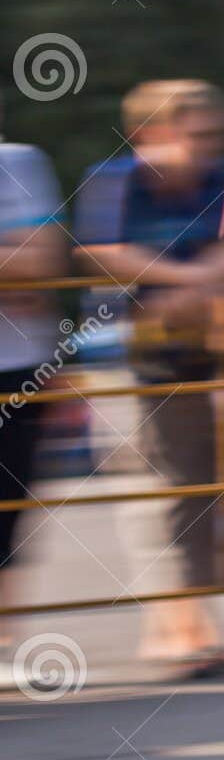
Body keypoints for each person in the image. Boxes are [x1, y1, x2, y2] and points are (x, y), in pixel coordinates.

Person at [74, 80, 224, 676]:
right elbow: (102, 251)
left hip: (202, 348)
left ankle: (190, 621)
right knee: (156, 489)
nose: (210, 147)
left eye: (215, 135)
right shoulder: (114, 179)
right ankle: (176, 625)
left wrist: (183, 288)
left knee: (200, 488)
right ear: (150, 134)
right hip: (128, 354)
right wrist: (188, 281)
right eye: (196, 136)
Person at [0, 94, 69, 687]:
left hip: (15, 364)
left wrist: (23, 268)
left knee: (7, 509)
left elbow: (41, 263)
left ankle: (2, 643)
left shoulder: (18, 161)